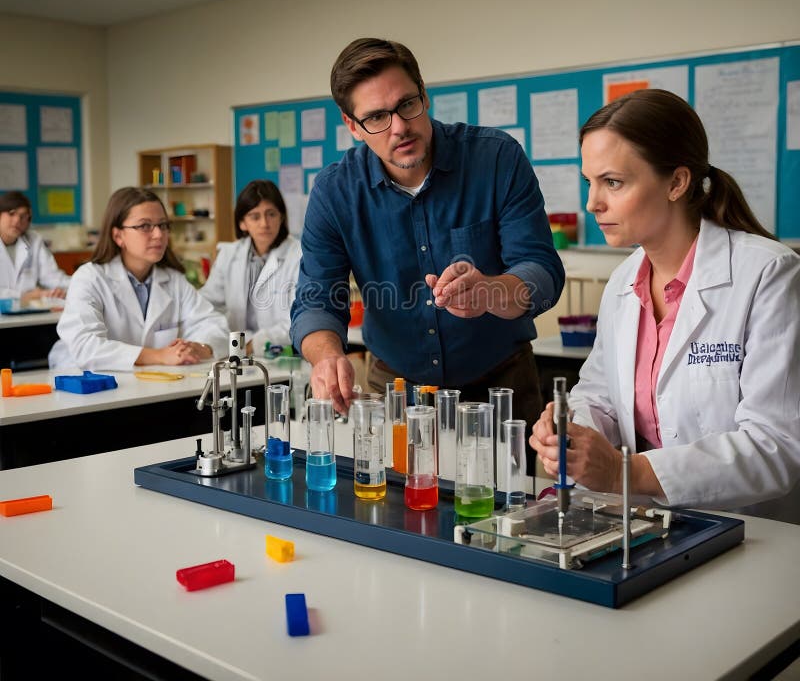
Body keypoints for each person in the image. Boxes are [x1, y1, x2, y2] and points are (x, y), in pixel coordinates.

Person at [530, 88, 800, 516]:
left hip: (751, 530)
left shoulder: (769, 274)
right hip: (649, 522)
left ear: (676, 182)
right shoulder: (624, 282)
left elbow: (777, 447)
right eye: (589, 182)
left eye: (613, 182)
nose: (592, 203)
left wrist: (627, 472)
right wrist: (571, 431)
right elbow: (599, 396)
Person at [290, 37, 565, 443]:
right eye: (376, 117)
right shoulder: (335, 193)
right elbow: (316, 299)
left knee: (511, 487)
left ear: (424, 94)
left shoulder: (495, 158)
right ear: (352, 125)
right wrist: (327, 356)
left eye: (407, 104)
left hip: (500, 387)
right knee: (394, 487)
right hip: (397, 392)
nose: (399, 127)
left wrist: (493, 291)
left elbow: (541, 269)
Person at [49, 187, 229, 370]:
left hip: (149, 381)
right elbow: (86, 347)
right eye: (144, 226)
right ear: (118, 236)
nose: (159, 234)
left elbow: (213, 325)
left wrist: (200, 348)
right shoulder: (90, 278)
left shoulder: (173, 280)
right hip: (86, 380)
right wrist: (159, 356)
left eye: (163, 225)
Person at [200, 179, 302, 356]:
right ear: (242, 223)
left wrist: (250, 345)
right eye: (255, 217)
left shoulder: (299, 256)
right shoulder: (229, 254)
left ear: (281, 217)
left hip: (281, 355)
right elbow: (206, 305)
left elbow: (298, 320)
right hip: (234, 353)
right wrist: (214, 339)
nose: (264, 224)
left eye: (271, 214)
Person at [0, 190, 71, 304]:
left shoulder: (34, 240)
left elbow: (51, 276)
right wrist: (23, 296)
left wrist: (75, 285)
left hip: (28, 310)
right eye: (11, 213)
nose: (17, 220)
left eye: (23, 216)